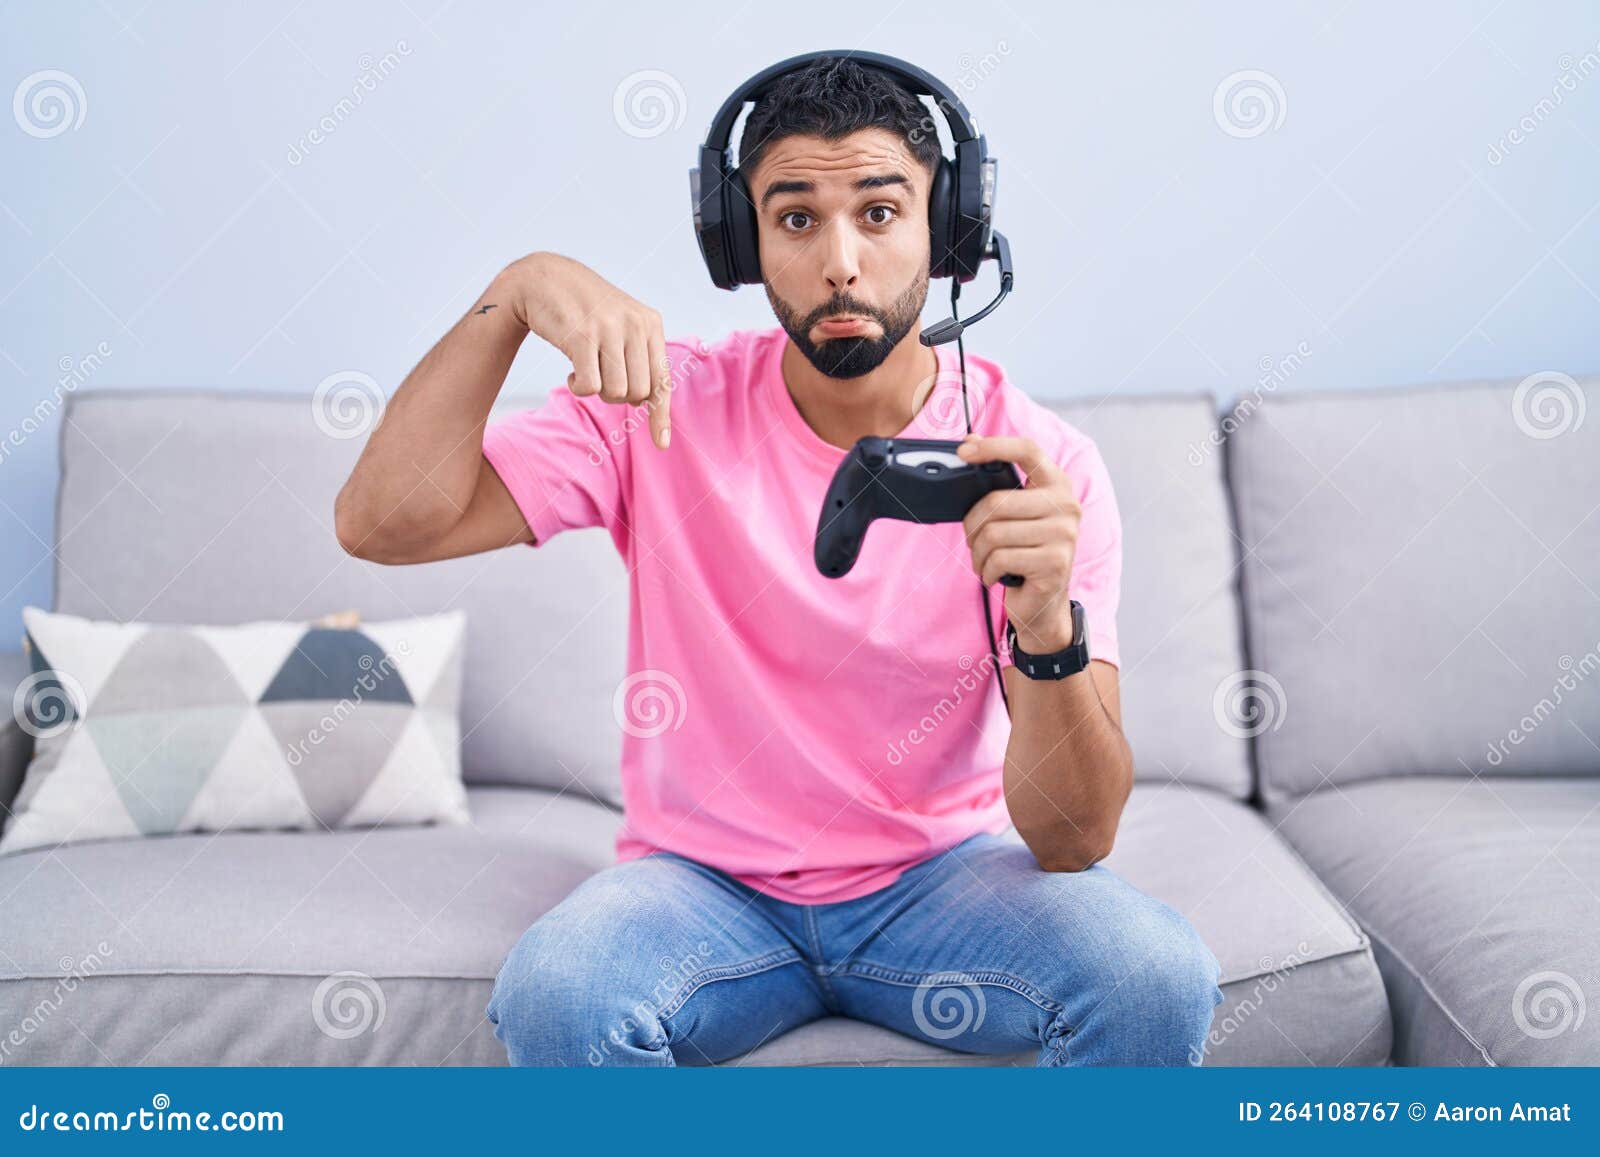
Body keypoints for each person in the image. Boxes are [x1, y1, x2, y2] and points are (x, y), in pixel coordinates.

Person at [333, 54, 1223, 1066]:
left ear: (949, 229)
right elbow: (381, 524)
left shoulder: (1038, 465)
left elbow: (1073, 839)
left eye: (880, 213)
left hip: (939, 881)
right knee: (560, 991)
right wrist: (517, 292)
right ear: (740, 239)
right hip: (702, 888)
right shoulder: (658, 409)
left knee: (1153, 975)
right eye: (796, 218)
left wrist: (1047, 625)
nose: (840, 262)